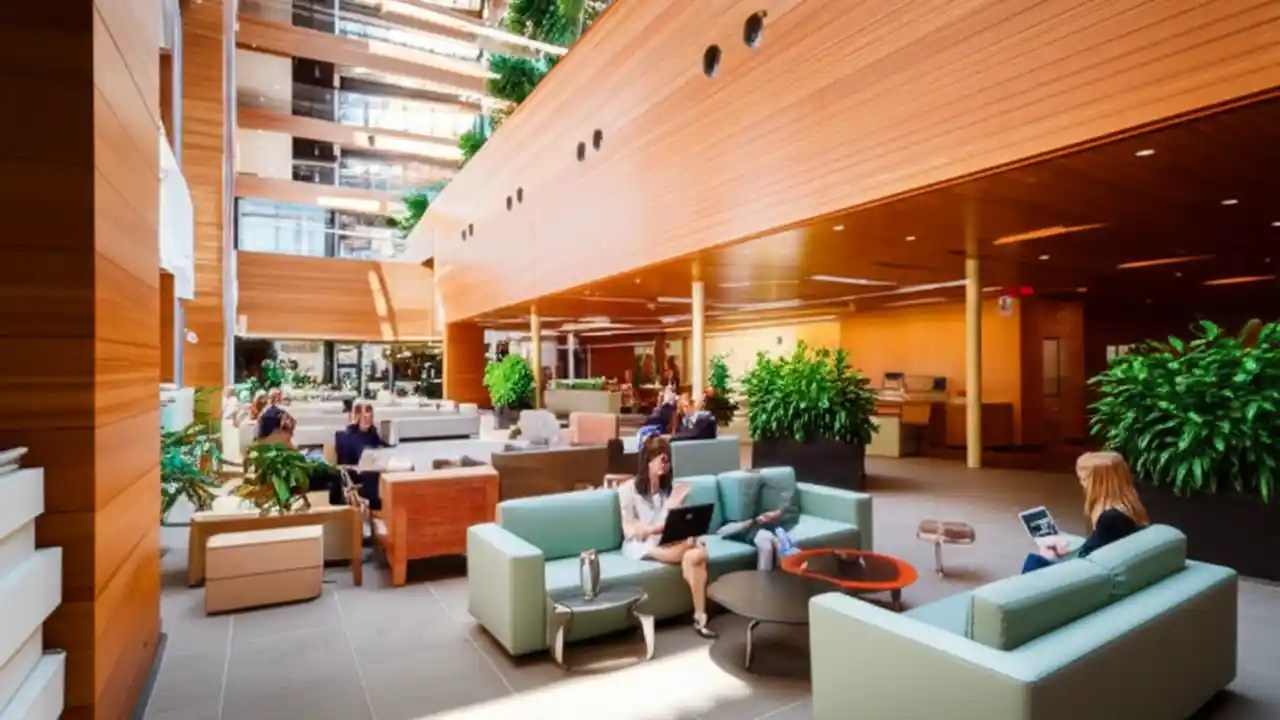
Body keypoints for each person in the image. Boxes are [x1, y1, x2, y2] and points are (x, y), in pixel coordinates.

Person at [618, 436, 717, 639]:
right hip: (642, 545)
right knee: (692, 546)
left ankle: (700, 616)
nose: (666, 465)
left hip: (669, 542)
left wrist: (676, 500)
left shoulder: (670, 490)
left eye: (668, 460)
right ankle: (689, 545)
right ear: (648, 460)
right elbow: (629, 528)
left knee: (695, 556)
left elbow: (675, 525)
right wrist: (652, 529)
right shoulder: (627, 490)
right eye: (662, 460)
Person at [1022, 451, 1150, 573]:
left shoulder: (1110, 519)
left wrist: (1047, 557)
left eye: (1084, 479)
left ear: (1097, 483)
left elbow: (1084, 565)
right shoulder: (1130, 510)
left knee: (1035, 562)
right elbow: (1097, 546)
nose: (1082, 484)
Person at [332, 401, 392, 510]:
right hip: (357, 475)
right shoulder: (347, 437)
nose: (368, 420)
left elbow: (384, 448)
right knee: (376, 479)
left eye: (370, 417)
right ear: (357, 417)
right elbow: (346, 462)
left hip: (373, 471)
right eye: (364, 417)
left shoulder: (372, 434)